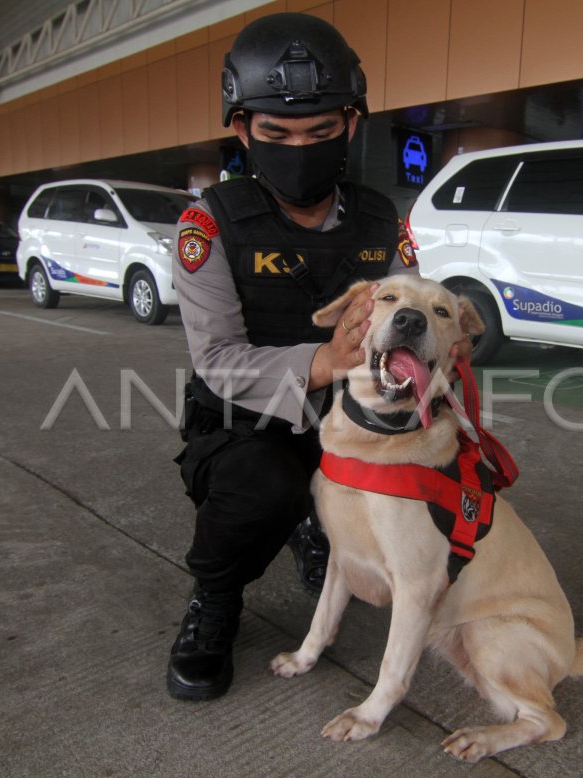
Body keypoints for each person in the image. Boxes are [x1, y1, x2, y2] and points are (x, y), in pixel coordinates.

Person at [167, 12, 421, 702]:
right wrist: (327, 360)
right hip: (246, 423)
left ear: (351, 122)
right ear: (243, 128)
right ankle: (214, 603)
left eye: (320, 132)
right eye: (276, 134)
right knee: (263, 484)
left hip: (356, 416)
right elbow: (218, 358)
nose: (299, 149)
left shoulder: (382, 220)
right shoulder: (209, 223)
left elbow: (410, 315)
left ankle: (319, 524)